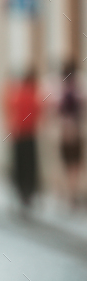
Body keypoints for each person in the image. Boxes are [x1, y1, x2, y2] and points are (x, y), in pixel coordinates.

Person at [2, 69, 42, 209]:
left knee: (18, 166)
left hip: (18, 135)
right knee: (29, 167)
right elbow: (39, 113)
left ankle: (20, 192)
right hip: (29, 135)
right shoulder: (33, 95)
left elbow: (9, 110)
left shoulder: (17, 95)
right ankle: (28, 193)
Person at [57, 61, 84, 206]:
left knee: (68, 165)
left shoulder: (63, 92)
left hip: (66, 132)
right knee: (74, 165)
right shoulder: (77, 91)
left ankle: (70, 193)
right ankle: (72, 193)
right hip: (75, 131)